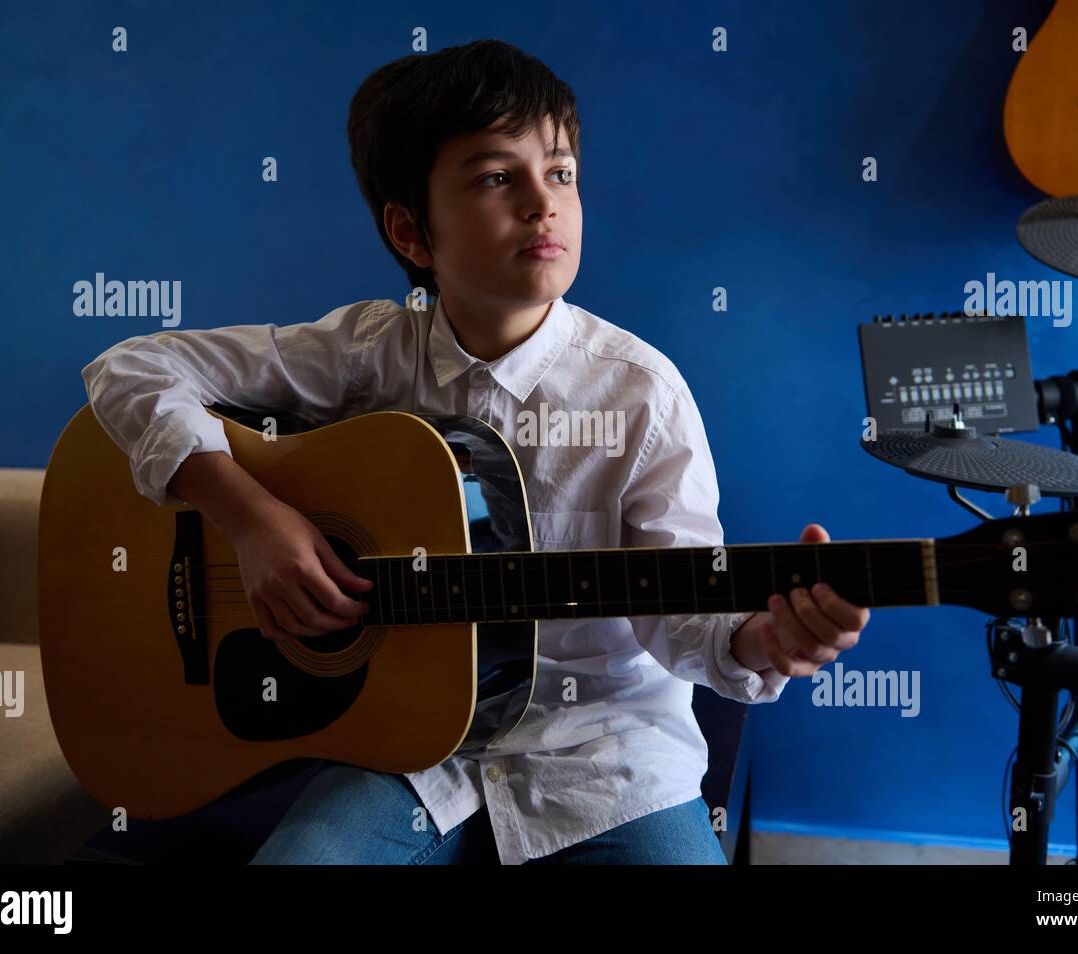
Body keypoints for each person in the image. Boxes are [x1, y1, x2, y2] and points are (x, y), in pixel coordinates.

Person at [81, 39, 870, 866]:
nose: (544, 203)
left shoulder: (642, 392)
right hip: (410, 751)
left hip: (605, 755)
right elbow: (129, 368)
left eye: (561, 172)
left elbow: (686, 615)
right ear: (411, 232)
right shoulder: (367, 354)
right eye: (497, 177)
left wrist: (765, 642)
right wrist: (249, 519)